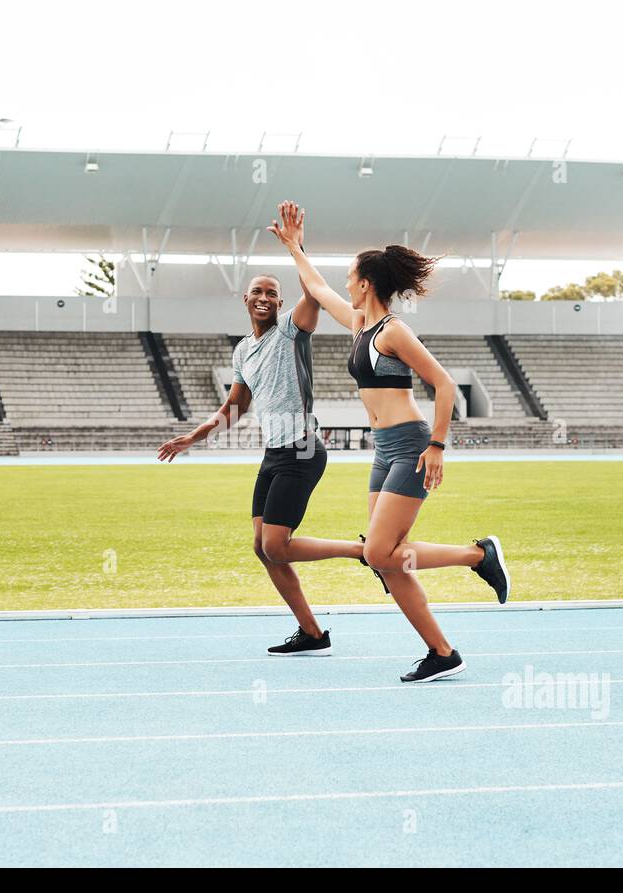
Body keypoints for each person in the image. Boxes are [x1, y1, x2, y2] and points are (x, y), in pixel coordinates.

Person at [268, 201, 510, 683]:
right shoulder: (361, 325)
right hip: (384, 452)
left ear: (365, 283)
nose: (344, 285)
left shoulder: (395, 332)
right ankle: (442, 652)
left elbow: (443, 384)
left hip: (412, 445)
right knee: (389, 562)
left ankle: (479, 555)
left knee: (379, 554)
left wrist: (437, 446)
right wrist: (296, 247)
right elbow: (315, 286)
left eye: (350, 278)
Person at [156, 209, 368, 657]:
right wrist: (190, 440)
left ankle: (361, 551)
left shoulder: (293, 329)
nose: (265, 297)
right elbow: (234, 408)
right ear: (246, 299)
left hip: (303, 449)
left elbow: (315, 292)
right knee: (262, 548)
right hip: (274, 454)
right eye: (258, 291)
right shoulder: (242, 351)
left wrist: (296, 246)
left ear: (279, 301)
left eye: (273, 292)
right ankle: (312, 633)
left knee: (277, 543)